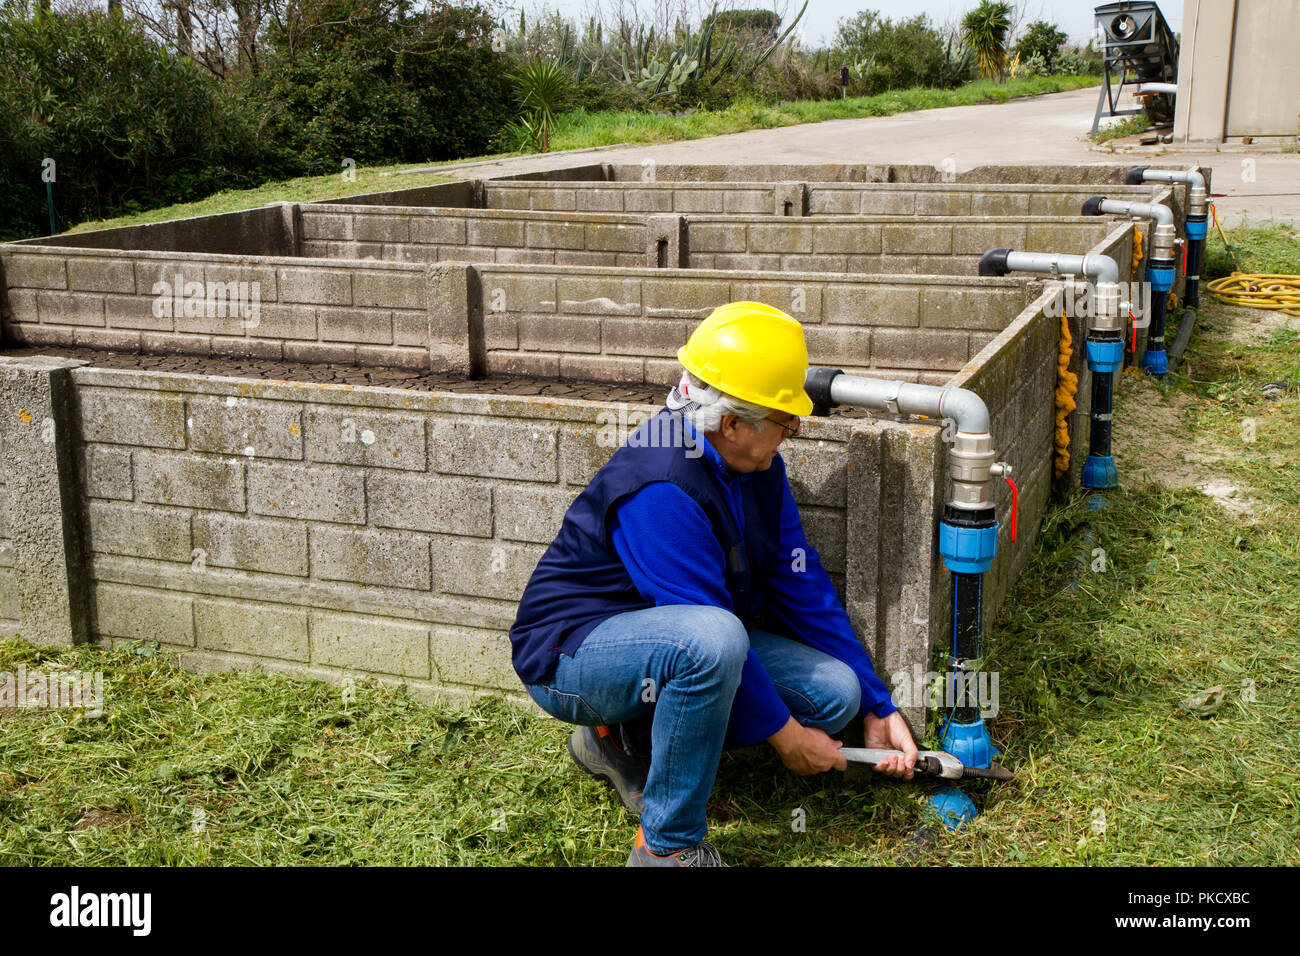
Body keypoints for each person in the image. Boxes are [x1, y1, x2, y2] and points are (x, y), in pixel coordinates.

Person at [508, 301, 917, 867]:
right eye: (785, 420)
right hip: (575, 654)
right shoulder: (663, 485)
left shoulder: (758, 467)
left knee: (835, 693)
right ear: (731, 424)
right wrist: (787, 739)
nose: (793, 432)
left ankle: (629, 745)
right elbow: (706, 633)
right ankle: (666, 848)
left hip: (678, 640)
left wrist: (877, 704)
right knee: (712, 643)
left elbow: (801, 582)